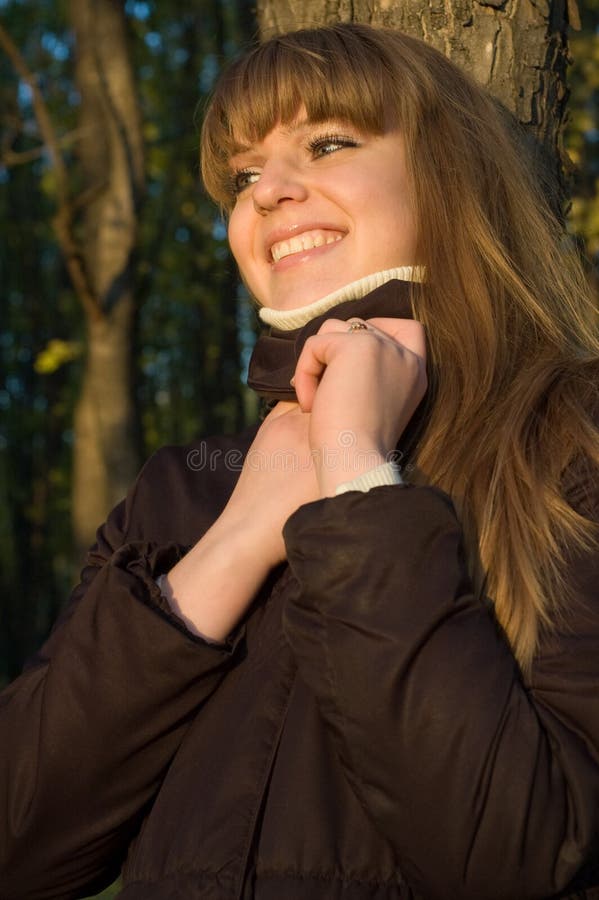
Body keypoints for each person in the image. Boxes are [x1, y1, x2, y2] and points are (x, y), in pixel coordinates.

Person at [1, 22, 598, 900]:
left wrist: (357, 475)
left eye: (327, 143)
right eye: (243, 176)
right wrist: (237, 541)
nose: (269, 192)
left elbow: (516, 859)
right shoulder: (187, 487)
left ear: (452, 173)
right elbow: (20, 847)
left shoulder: (573, 435)